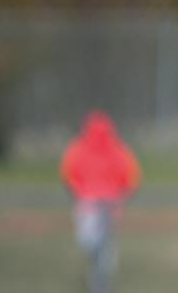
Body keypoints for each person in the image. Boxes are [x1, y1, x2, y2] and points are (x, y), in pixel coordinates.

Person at [59, 112, 140, 282]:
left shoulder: (115, 150)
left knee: (98, 244)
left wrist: (118, 198)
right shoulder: (83, 149)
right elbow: (68, 174)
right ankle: (99, 276)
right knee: (92, 243)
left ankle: (99, 280)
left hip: (103, 205)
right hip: (92, 204)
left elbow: (131, 178)